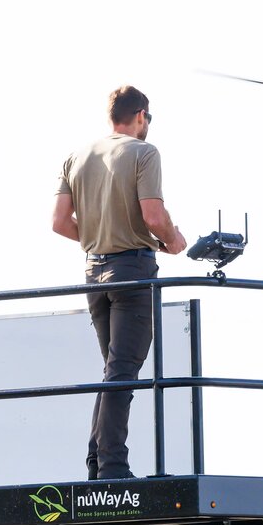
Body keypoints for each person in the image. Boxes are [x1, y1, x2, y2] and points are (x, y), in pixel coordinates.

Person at [52, 85, 186, 480]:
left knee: (113, 370)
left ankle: (96, 463)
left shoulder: (76, 157)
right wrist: (172, 240)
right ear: (141, 115)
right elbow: (153, 216)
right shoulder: (145, 153)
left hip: (94, 272)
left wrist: (100, 236)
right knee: (123, 372)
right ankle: (112, 465)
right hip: (132, 272)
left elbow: (59, 222)